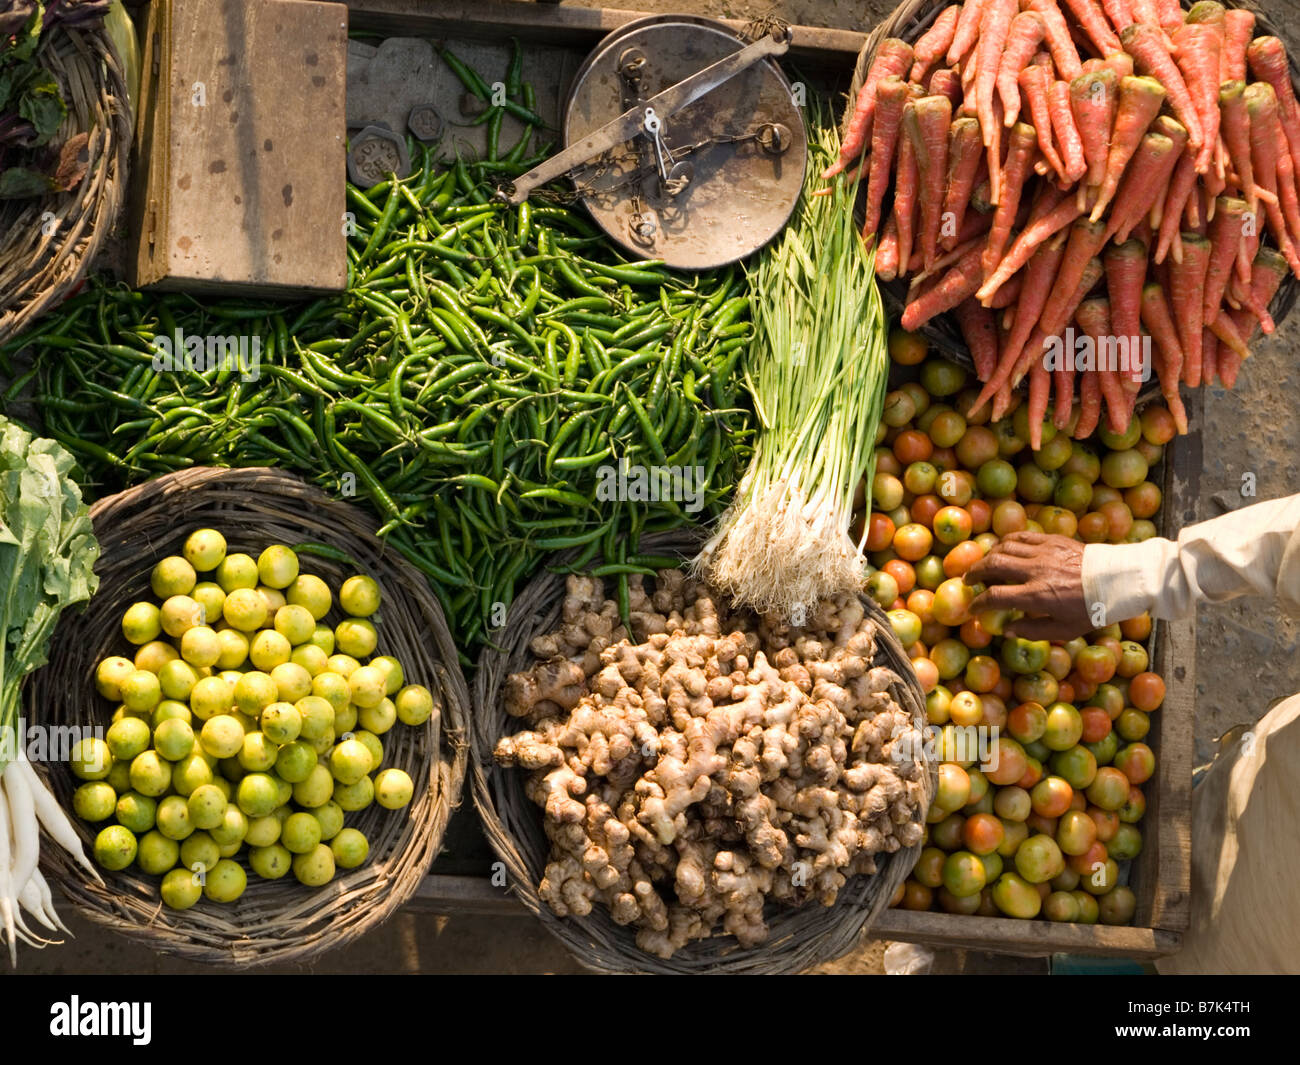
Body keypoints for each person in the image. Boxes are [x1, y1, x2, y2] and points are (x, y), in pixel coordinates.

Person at [963, 493, 1300, 975]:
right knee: (1148, 867)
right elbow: (1286, 540)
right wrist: (1117, 578)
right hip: (1254, 807)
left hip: (1245, 960)